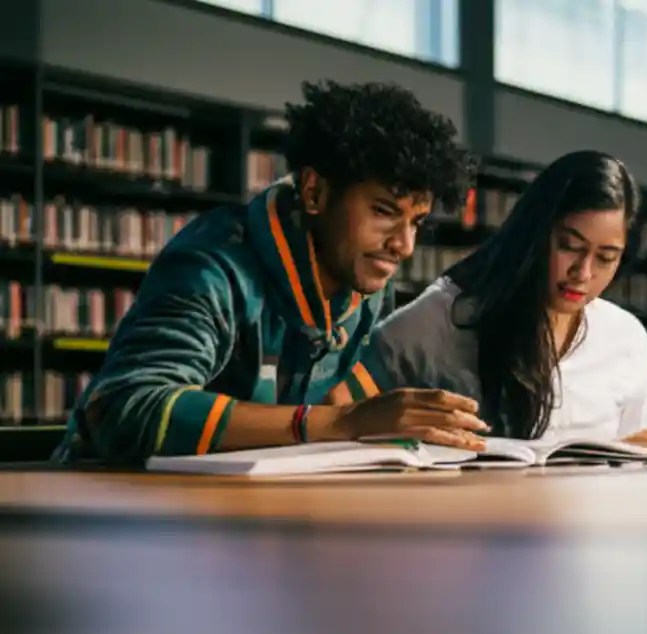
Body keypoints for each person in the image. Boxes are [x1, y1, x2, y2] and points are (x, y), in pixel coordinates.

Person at [53, 79, 488, 465]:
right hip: (119, 510)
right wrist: (339, 421)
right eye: (383, 211)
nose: (404, 246)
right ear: (315, 191)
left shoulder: (368, 284)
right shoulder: (213, 266)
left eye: (415, 222)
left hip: (251, 514)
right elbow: (121, 409)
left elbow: (333, 403)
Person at [330, 150, 647, 443]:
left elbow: (641, 446)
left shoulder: (625, 336)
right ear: (535, 234)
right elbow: (336, 410)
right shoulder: (444, 317)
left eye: (606, 258)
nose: (583, 273)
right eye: (570, 247)